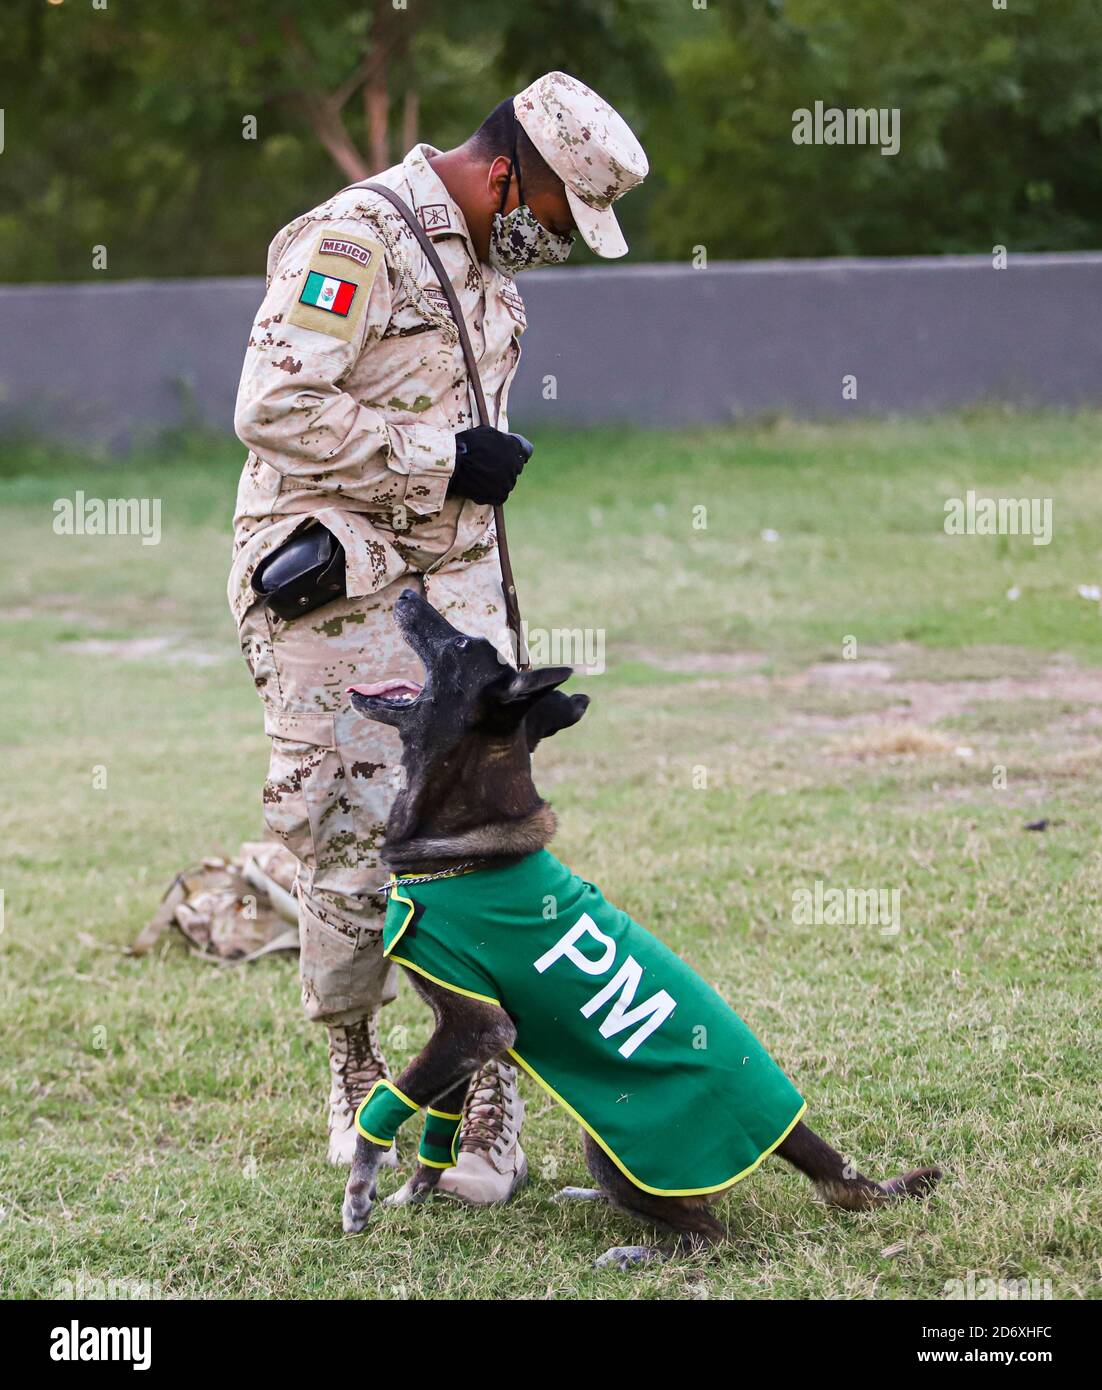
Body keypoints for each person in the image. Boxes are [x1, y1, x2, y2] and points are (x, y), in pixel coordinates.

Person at [229, 71, 647, 1201]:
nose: (557, 243)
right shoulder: (355, 239)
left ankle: (484, 1085)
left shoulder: (493, 280)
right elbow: (270, 406)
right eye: (561, 216)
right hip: (336, 583)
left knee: (483, 839)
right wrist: (438, 458)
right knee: (355, 835)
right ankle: (354, 1060)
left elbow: (466, 459)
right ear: (512, 173)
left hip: (449, 588)